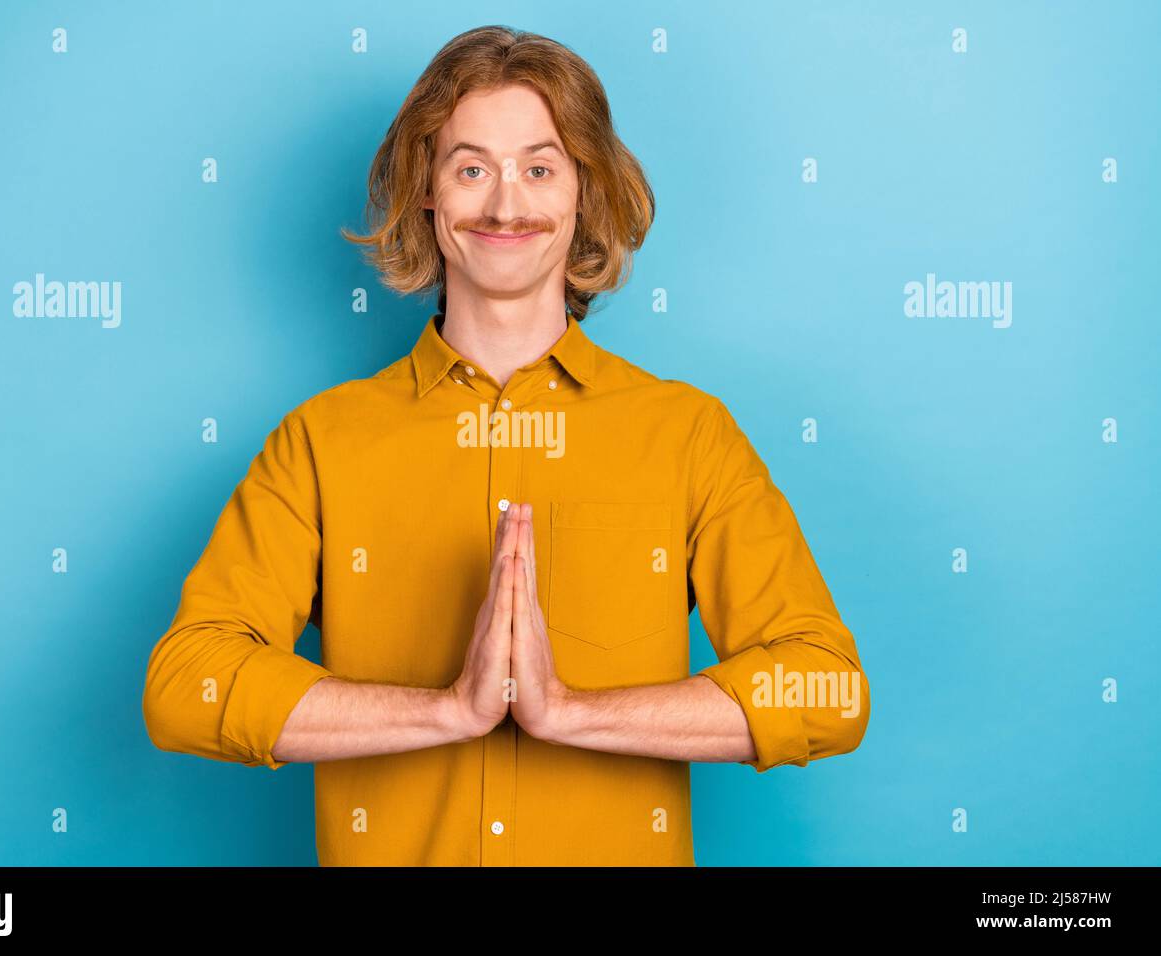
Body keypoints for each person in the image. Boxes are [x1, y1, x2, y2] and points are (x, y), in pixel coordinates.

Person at [142, 24, 869, 866]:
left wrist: (571, 714)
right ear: (427, 194)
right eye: (472, 168)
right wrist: (448, 710)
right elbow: (184, 688)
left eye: (539, 166)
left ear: (584, 193)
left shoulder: (688, 435)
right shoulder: (321, 441)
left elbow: (829, 689)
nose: (505, 205)